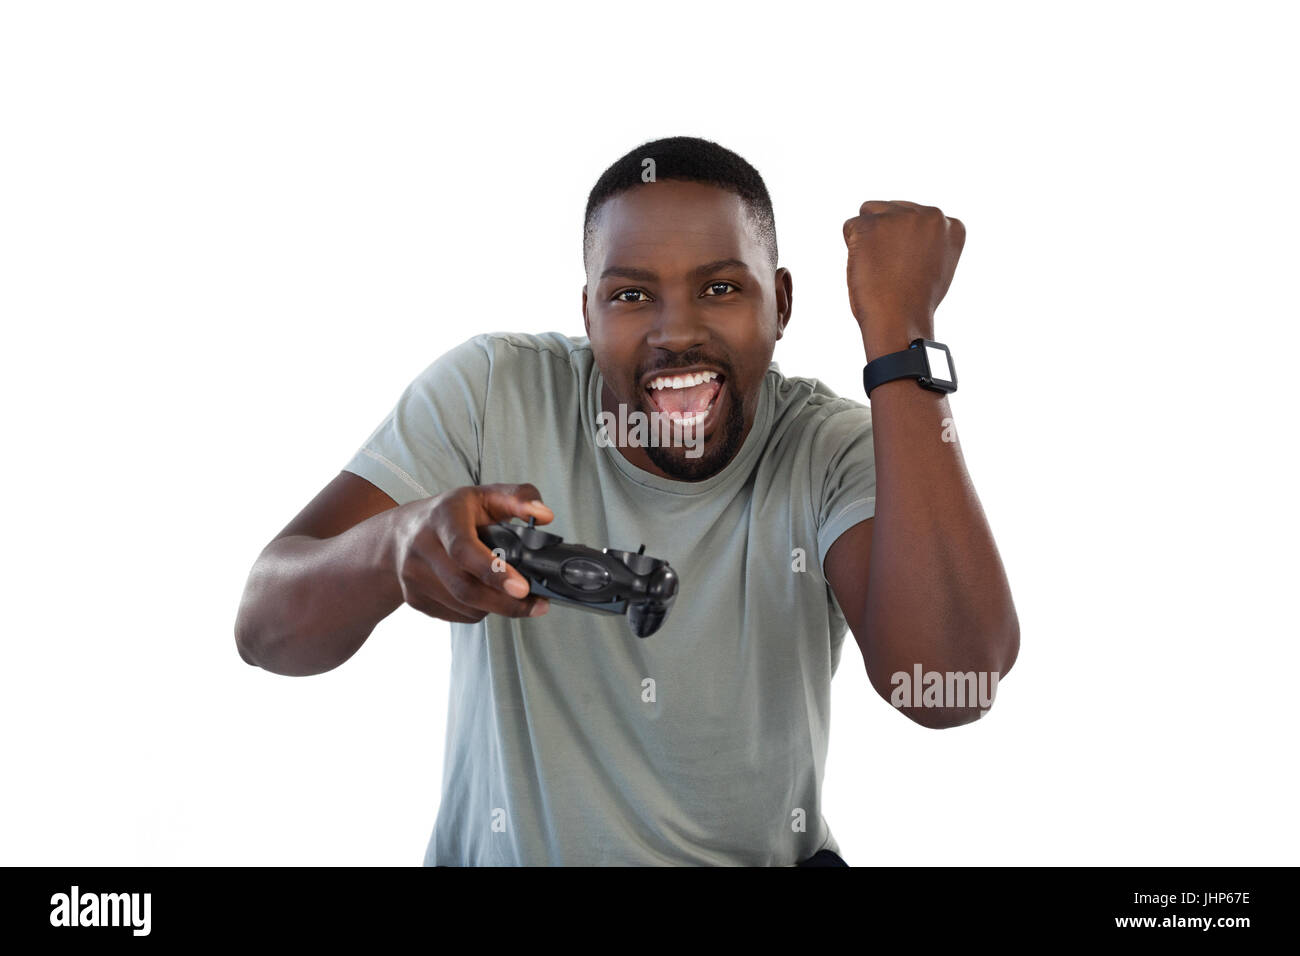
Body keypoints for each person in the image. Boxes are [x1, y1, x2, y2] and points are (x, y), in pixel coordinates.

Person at [234, 136, 1020, 866]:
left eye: (720, 287)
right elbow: (267, 631)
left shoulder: (829, 449)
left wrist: (899, 335)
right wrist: (394, 547)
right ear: (586, 314)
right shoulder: (490, 393)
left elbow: (952, 681)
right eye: (632, 295)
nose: (677, 332)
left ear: (780, 302)